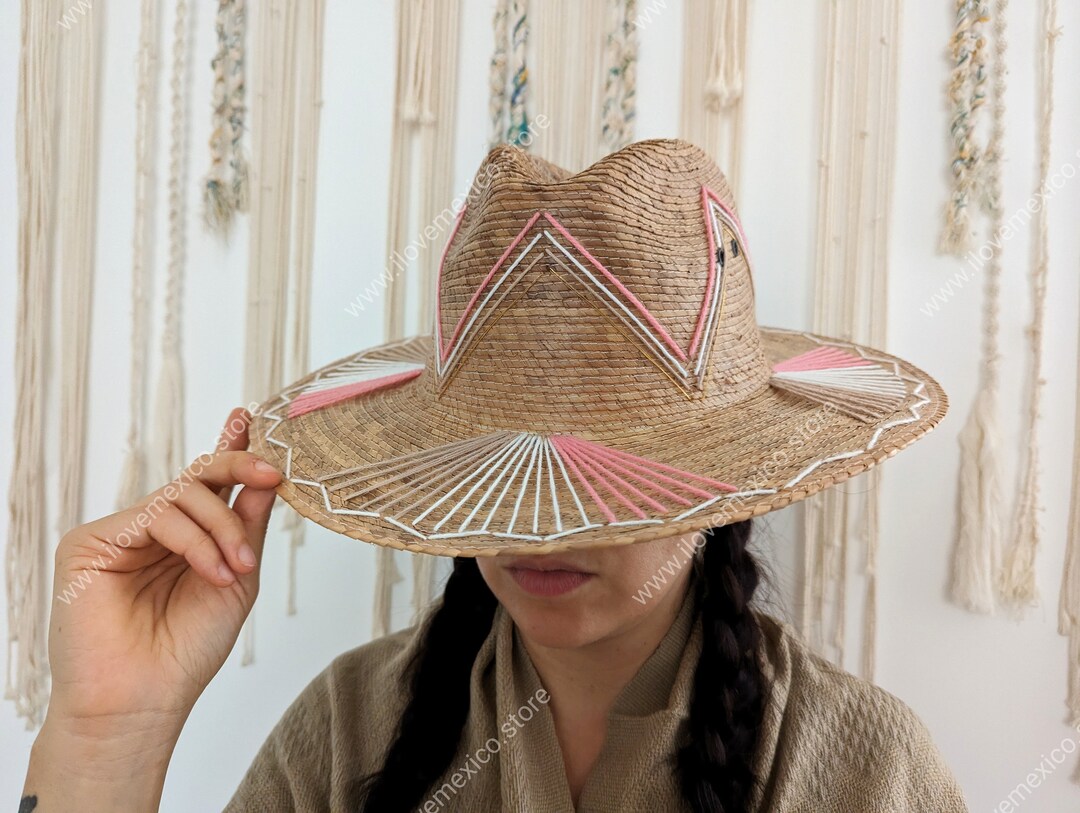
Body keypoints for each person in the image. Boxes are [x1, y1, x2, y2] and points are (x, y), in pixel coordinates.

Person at [20, 140, 968, 812]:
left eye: (608, 473)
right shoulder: (351, 730)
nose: (538, 526)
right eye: (500, 471)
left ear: (720, 490)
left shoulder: (863, 769)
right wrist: (107, 732)